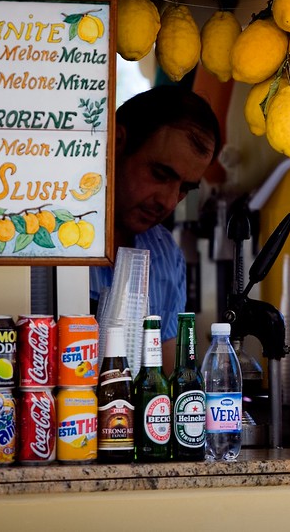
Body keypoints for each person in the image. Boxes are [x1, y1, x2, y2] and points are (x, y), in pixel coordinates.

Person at [90, 84, 222, 375]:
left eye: (185, 189)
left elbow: (167, 376)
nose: (169, 201)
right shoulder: (63, 238)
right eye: (160, 174)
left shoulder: (163, 254)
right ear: (118, 142)